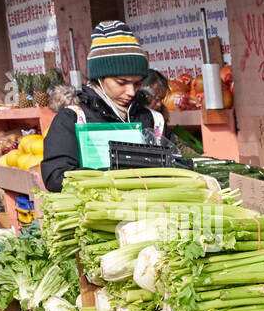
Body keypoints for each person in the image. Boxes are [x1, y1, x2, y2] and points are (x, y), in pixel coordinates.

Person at [40, 20, 170, 192]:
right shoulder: (74, 118)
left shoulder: (153, 119)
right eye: (121, 82)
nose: (131, 92)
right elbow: (55, 177)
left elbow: (174, 164)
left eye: (137, 83)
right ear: (100, 78)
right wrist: (118, 177)